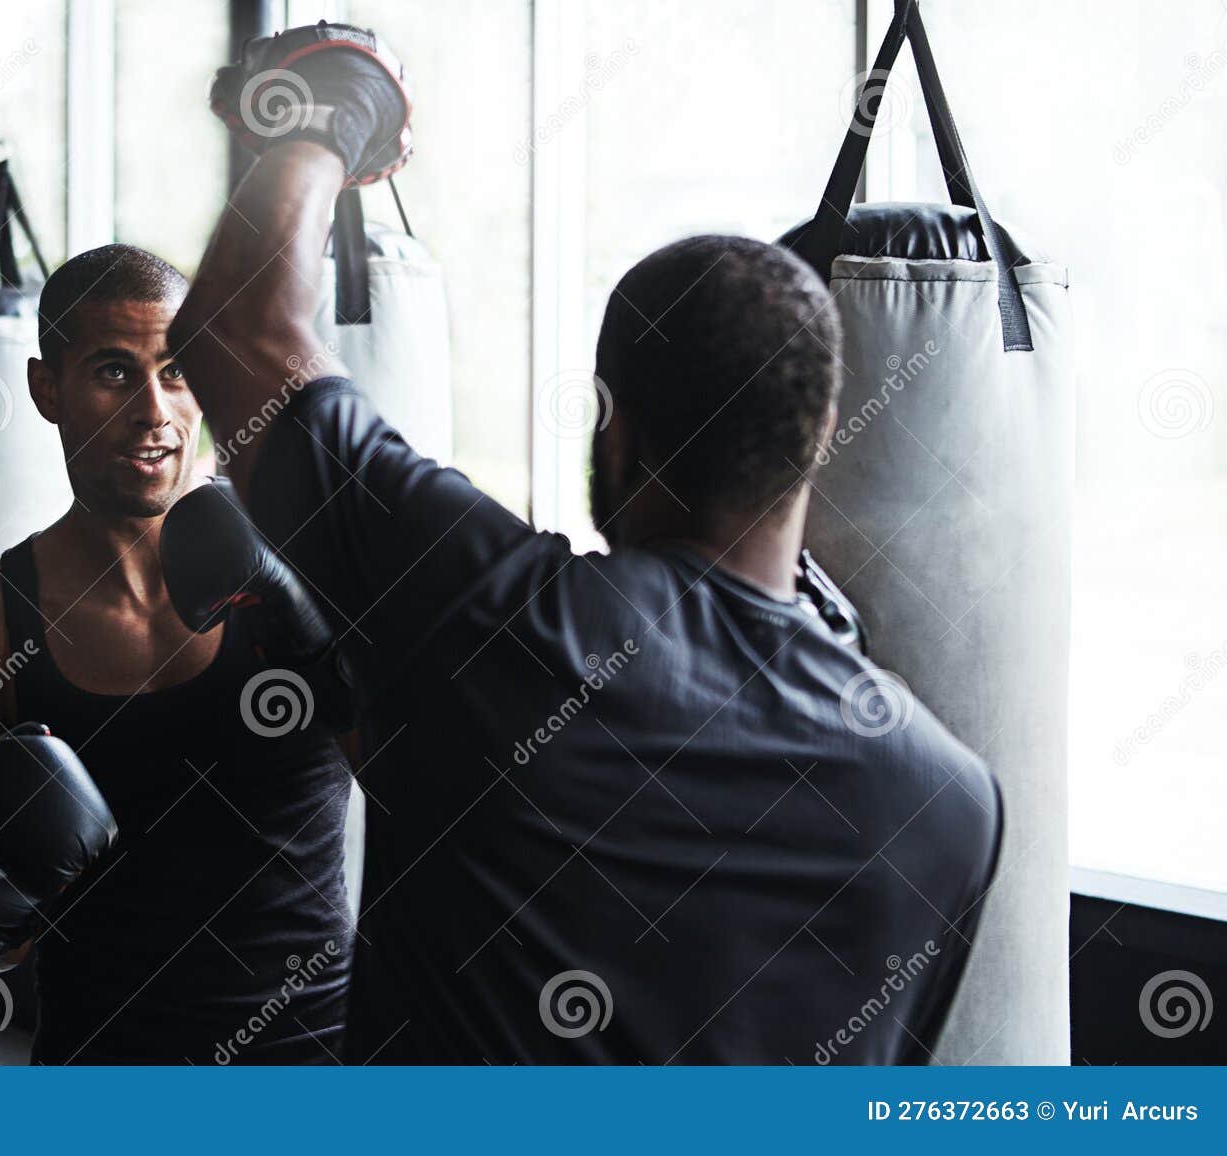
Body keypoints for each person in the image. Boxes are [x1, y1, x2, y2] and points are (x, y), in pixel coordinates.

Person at [166, 24, 1002, 1063]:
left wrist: (327, 115)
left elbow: (236, 328)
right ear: (818, 439)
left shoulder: (499, 622)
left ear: (613, 424)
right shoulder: (950, 799)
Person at [0, 244, 352, 1065]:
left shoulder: (306, 574)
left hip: (313, 1059)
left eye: (180, 373)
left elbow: (418, 792)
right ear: (48, 390)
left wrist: (332, 664)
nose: (155, 411)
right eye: (115, 373)